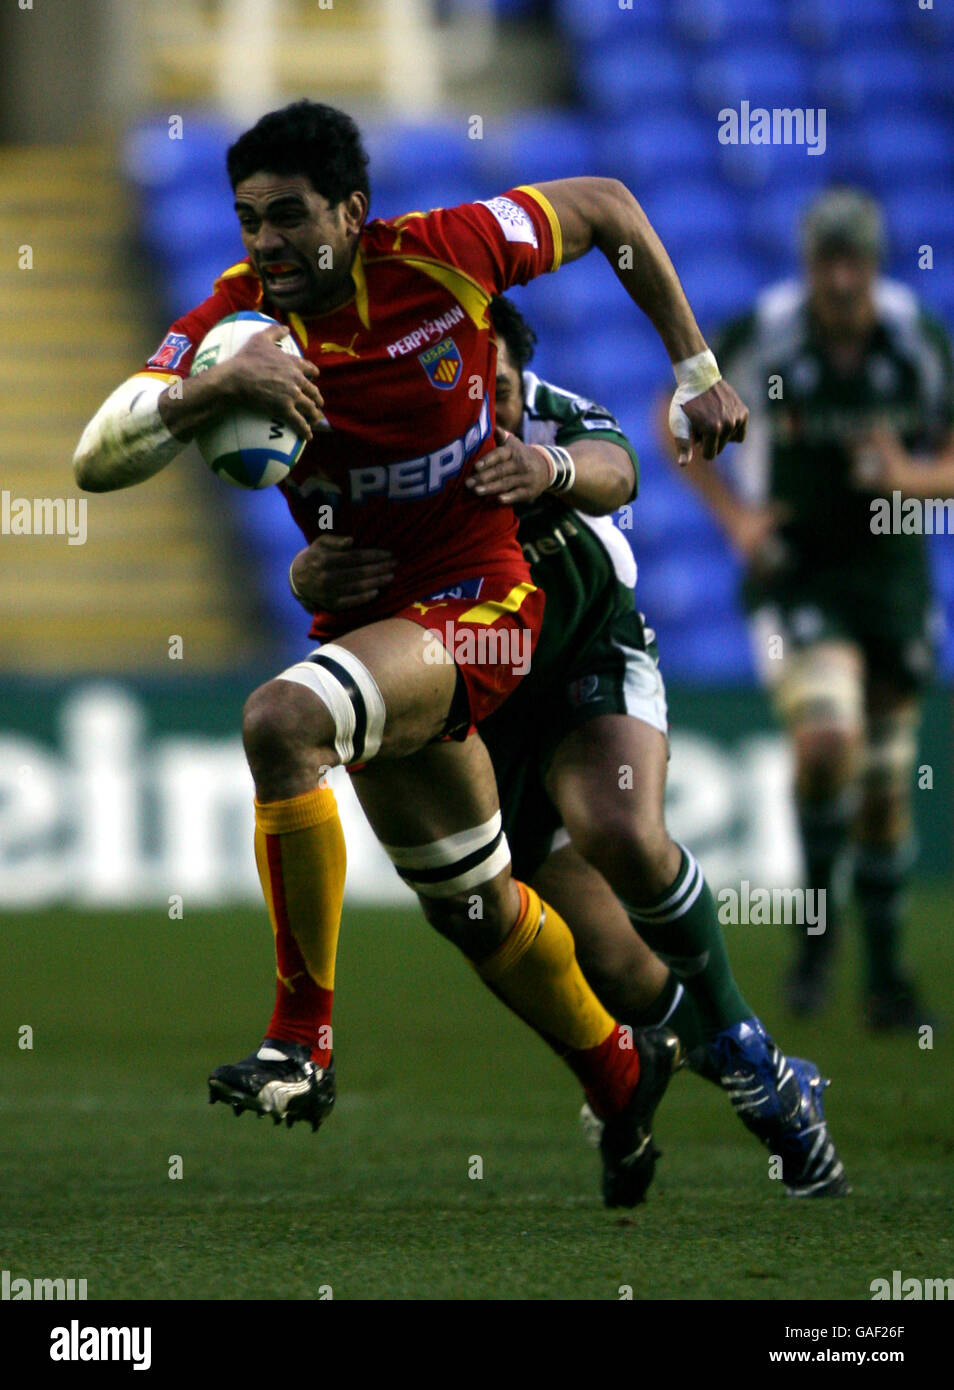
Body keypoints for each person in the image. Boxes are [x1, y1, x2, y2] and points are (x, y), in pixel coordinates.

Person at [73, 100, 747, 1208]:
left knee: (281, 722)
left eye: (290, 216)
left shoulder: (447, 256)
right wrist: (218, 391)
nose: (267, 242)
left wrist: (696, 368)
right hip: (376, 636)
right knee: (475, 905)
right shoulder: (237, 326)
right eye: (247, 219)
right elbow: (97, 461)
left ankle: (301, 1042)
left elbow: (611, 207)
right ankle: (622, 1074)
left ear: (352, 208)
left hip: (485, 606)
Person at [296, 294, 850, 1197]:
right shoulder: (405, 441)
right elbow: (329, 538)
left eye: (505, 390)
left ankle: (747, 1046)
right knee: (616, 967)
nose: (493, 411)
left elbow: (617, 471)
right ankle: (761, 1077)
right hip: (479, 708)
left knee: (620, 830)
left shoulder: (547, 419)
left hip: (585, 659)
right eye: (481, 394)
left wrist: (547, 467)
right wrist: (306, 566)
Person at [666, 187, 954, 1027]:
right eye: (824, 260)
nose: (838, 277)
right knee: (829, 738)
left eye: (852, 260)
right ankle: (817, 940)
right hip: (798, 574)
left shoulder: (915, 341)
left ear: (872, 263)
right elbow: (671, 410)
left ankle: (885, 974)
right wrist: (737, 518)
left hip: (891, 578)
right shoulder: (769, 331)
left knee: (885, 784)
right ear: (807, 262)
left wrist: (913, 480)